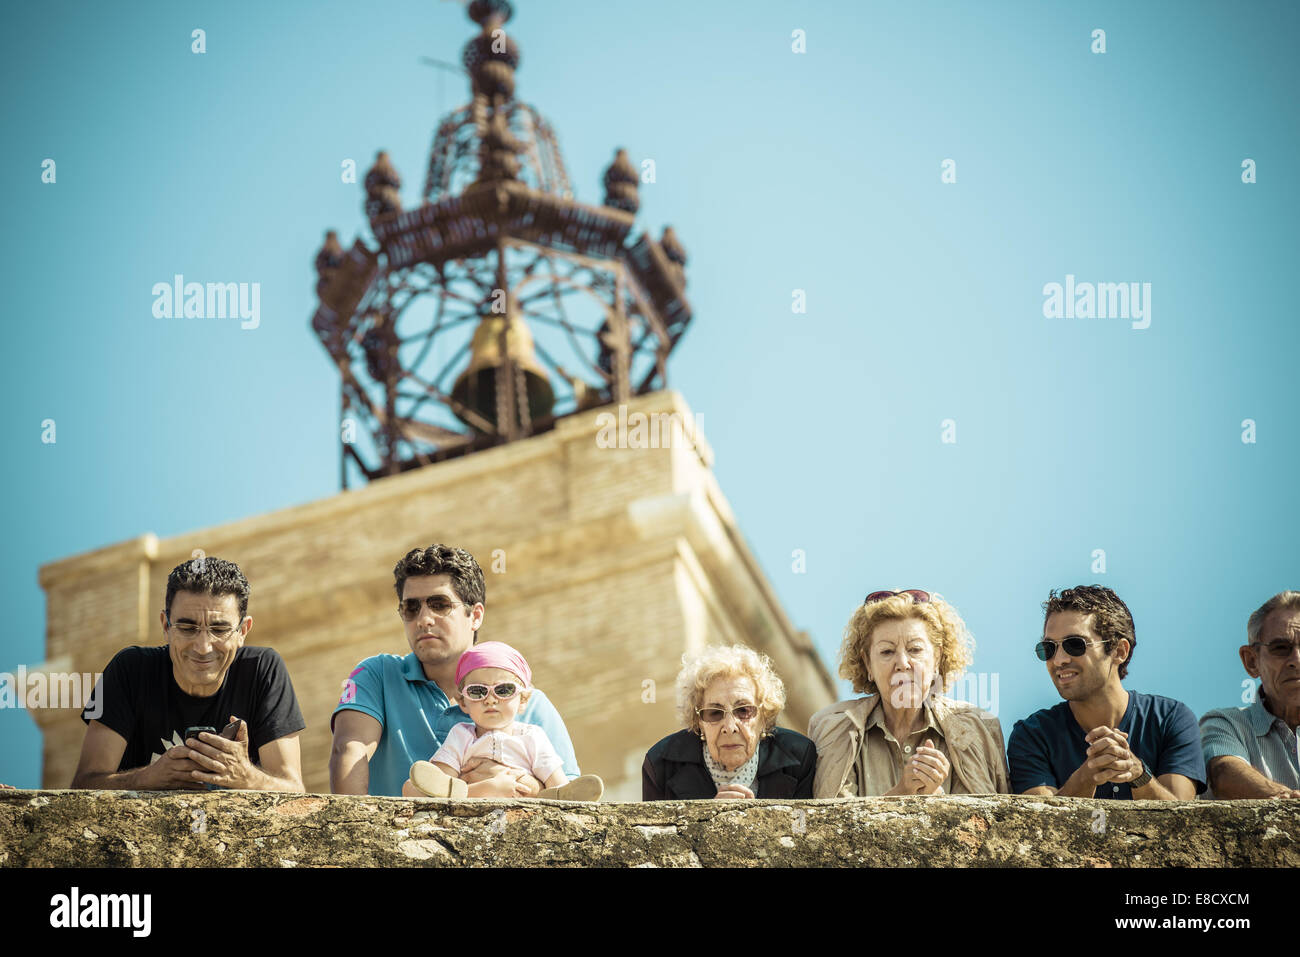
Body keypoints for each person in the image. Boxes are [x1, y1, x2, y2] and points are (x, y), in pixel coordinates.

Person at [330, 544, 580, 797]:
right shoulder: (377, 675)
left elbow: (570, 795)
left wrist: (523, 786)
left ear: (476, 615)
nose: (424, 619)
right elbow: (349, 750)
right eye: (411, 608)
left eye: (440, 604)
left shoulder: (531, 702)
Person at [71, 558, 305, 791]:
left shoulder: (263, 669)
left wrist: (246, 776)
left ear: (243, 631)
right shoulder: (128, 670)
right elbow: (83, 786)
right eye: (187, 628)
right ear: (165, 626)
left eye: (219, 629)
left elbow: (294, 790)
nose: (203, 647)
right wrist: (147, 778)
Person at [1008, 585, 1204, 800]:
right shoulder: (1031, 735)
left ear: (1119, 651)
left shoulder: (1171, 718)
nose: (1059, 660)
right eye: (1049, 648)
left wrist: (1138, 773)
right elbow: (1039, 825)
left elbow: (1182, 821)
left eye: (1075, 645)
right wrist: (1089, 775)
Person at [808, 590, 1008, 797]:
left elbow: (992, 824)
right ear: (868, 663)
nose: (902, 664)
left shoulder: (980, 728)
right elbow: (832, 823)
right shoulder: (831, 727)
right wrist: (903, 792)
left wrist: (935, 796)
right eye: (887, 652)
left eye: (915, 650)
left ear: (937, 659)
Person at [403, 641, 604, 801]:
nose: (490, 699)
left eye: (504, 690)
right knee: (418, 788)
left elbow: (558, 785)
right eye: (477, 691)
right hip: (471, 814)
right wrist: (487, 789)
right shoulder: (461, 735)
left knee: (560, 797)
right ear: (463, 702)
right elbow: (439, 783)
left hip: (524, 816)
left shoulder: (532, 737)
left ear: (523, 700)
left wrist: (561, 794)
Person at [642, 645, 816, 800]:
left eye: (743, 711)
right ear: (698, 723)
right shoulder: (660, 765)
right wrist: (712, 820)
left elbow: (802, 830)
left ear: (764, 717)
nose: (729, 727)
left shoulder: (799, 757)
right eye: (714, 713)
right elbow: (653, 834)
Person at [1199, 591, 1300, 798]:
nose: (1296, 660)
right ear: (1251, 661)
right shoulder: (1226, 724)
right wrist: (1287, 799)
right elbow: (1225, 774)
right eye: (1281, 648)